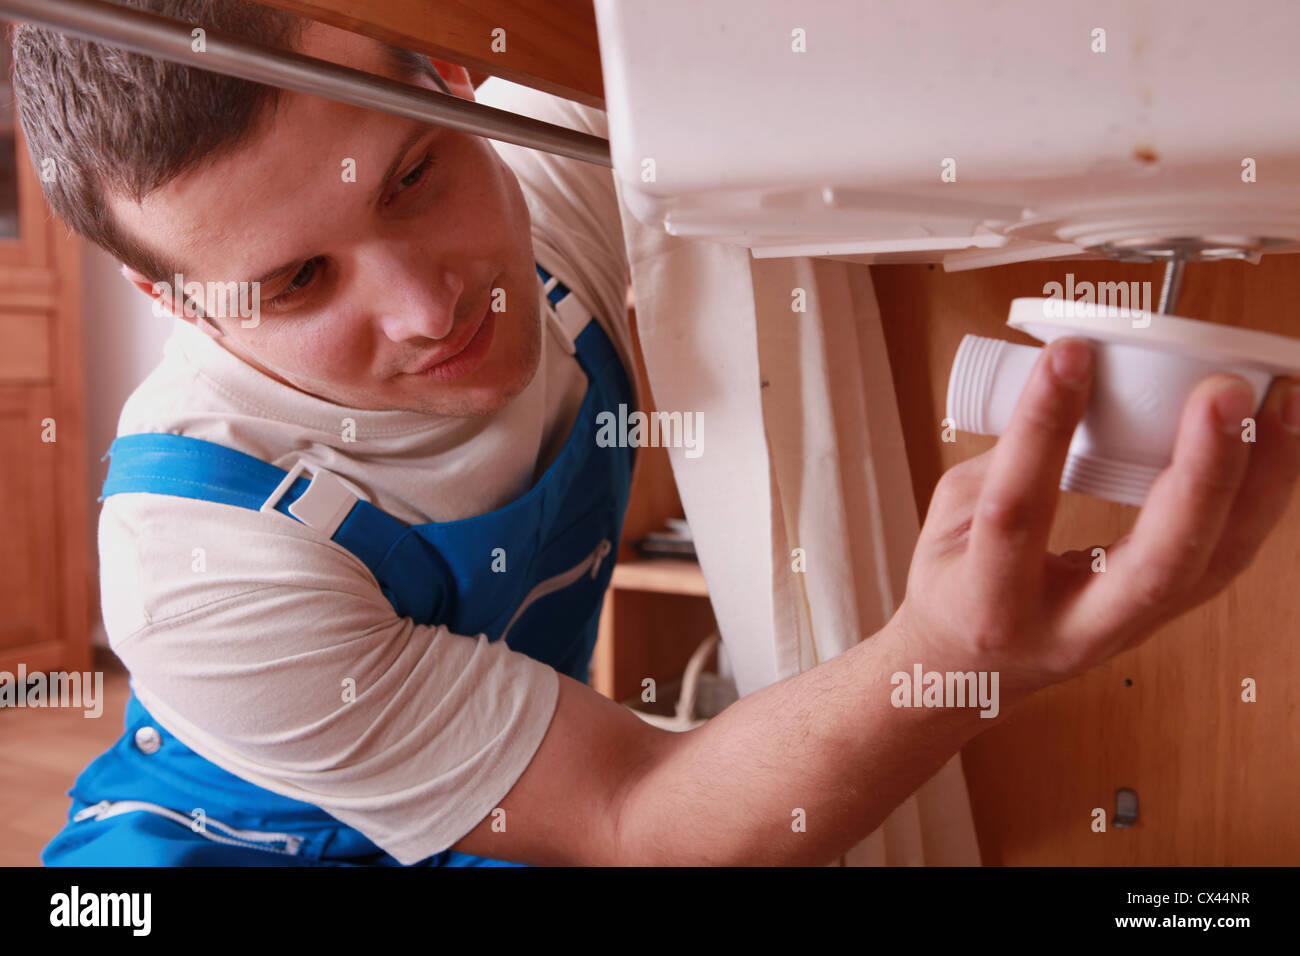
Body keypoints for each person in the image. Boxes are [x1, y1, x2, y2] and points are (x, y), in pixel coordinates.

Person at [16, 1, 1300, 867]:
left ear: (461, 86)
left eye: (416, 174)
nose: (429, 305)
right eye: (299, 283)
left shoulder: (570, 174)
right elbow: (631, 812)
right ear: (170, 299)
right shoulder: (194, 558)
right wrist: (950, 653)